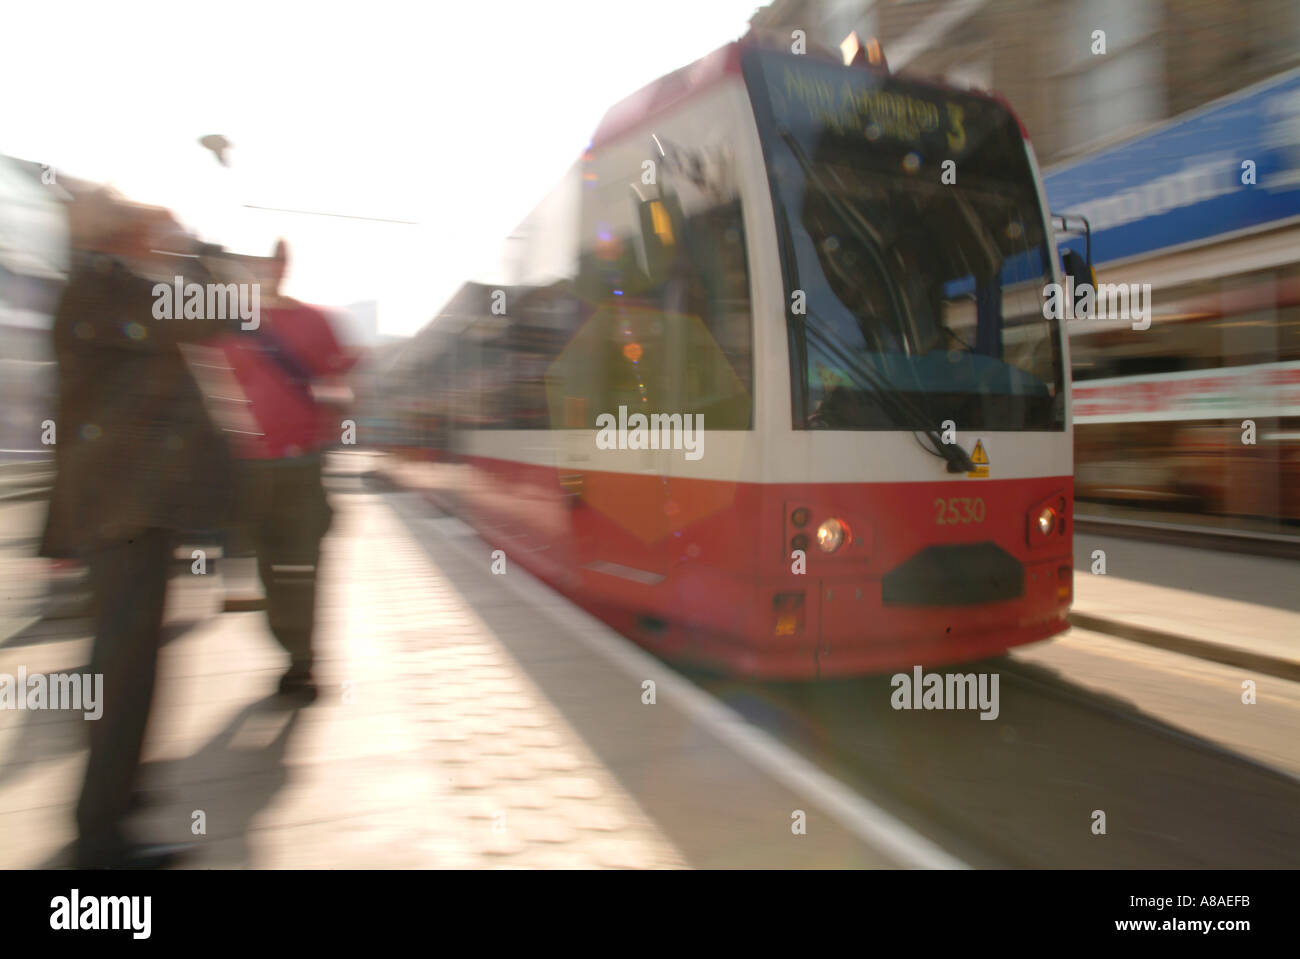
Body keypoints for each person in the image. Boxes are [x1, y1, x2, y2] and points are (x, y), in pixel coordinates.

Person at [40, 188, 240, 869]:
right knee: (125, 675)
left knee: (126, 670)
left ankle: (116, 810)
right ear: (121, 233)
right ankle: (101, 842)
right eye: (145, 221)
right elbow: (223, 313)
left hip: (123, 510)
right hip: (127, 513)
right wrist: (191, 250)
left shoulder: (101, 288)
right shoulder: (108, 286)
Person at [216, 239, 355, 701]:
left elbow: (342, 384)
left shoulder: (316, 322)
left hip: (301, 467)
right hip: (248, 470)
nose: (261, 270)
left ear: (282, 267)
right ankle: (291, 645)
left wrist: (326, 431)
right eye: (250, 262)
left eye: (269, 261)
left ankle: (302, 663)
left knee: (303, 567)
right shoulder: (223, 325)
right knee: (268, 570)